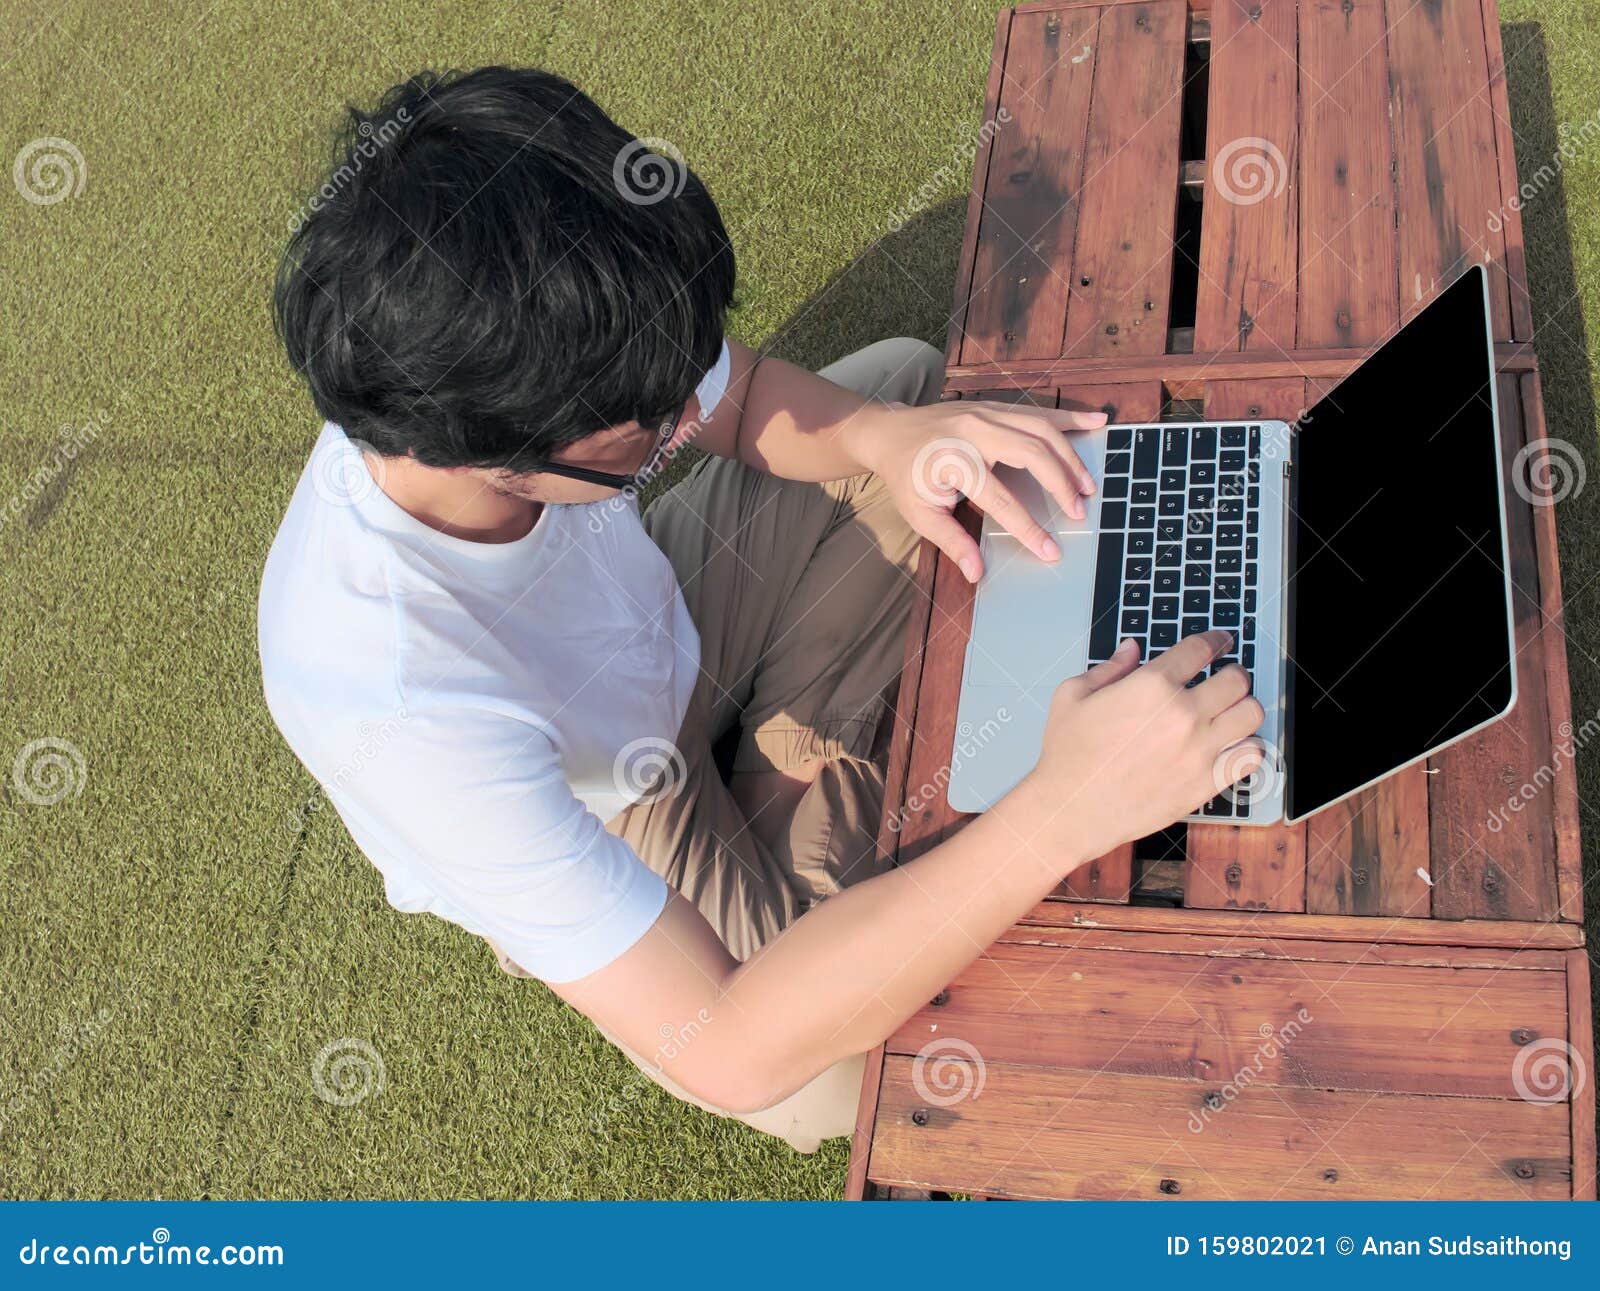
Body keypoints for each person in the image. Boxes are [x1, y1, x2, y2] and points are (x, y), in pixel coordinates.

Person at [260, 66, 1263, 1153]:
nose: (681, 409)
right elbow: (727, 1045)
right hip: (605, 802)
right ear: (489, 455)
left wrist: (886, 440)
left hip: (663, 635)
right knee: (831, 1075)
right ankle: (806, 802)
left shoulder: (486, 340)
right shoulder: (406, 713)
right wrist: (1062, 809)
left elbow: (729, 399)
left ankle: (788, 779)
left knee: (908, 395)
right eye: (646, 430)